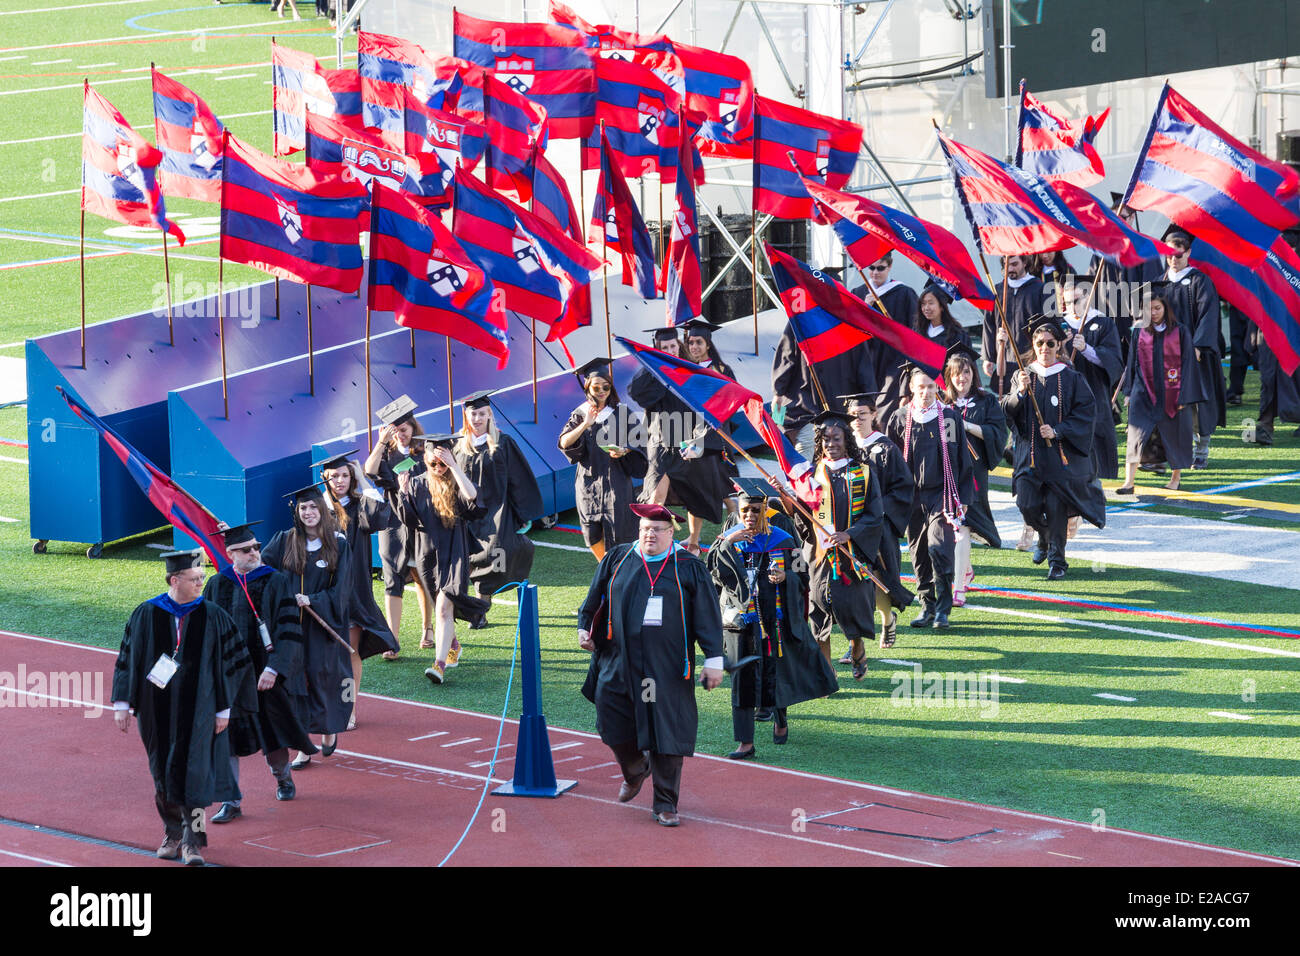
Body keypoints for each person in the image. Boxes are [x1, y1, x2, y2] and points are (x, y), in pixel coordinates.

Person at [577, 503, 725, 827]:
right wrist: (583, 629)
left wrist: (714, 661)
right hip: (619, 659)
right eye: (645, 529)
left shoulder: (687, 567)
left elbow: (708, 617)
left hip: (665, 666)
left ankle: (665, 803)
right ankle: (634, 768)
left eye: (657, 530)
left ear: (671, 533)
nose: (649, 535)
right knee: (610, 717)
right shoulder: (618, 559)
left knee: (665, 731)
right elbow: (592, 601)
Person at [112, 550, 247, 866]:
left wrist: (224, 709)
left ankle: (192, 842)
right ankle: (172, 832)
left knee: (195, 774)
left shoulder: (213, 615)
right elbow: (127, 657)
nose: (201, 582)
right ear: (175, 580)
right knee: (162, 772)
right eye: (195, 578)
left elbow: (232, 664)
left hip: (199, 708)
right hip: (154, 708)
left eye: (202, 577)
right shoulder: (147, 613)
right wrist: (121, 703)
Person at [706, 479, 838, 758]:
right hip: (740, 621)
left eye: (756, 510)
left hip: (773, 619)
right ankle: (745, 742)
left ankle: (780, 717)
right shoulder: (728, 539)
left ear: (765, 510)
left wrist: (784, 577)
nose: (750, 517)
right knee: (742, 678)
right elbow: (715, 574)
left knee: (773, 672)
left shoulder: (783, 540)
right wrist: (728, 543)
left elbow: (803, 578)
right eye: (744, 511)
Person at [204, 523, 317, 825]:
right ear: (230, 554)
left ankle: (283, 778)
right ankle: (231, 800)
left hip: (264, 676)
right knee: (225, 737)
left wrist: (274, 668)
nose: (255, 552)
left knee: (274, 735)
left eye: (256, 546)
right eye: (247, 549)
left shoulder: (275, 581)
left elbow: (290, 628)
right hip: (229, 678)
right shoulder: (217, 584)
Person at [1002, 315, 1107, 578]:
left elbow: (1086, 413)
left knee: (1057, 508)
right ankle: (1044, 537)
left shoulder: (1072, 378)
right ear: (1034, 345)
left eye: (1050, 343)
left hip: (1060, 460)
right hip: (1031, 457)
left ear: (1058, 346)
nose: (1044, 348)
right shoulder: (1022, 376)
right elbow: (1006, 409)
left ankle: (1057, 562)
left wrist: (1058, 430)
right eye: (1040, 343)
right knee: (1027, 505)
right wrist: (1020, 394)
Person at [786, 410, 884, 676]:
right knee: (818, 610)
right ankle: (826, 673)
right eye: (826, 439)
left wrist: (849, 534)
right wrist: (787, 498)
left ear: (847, 440)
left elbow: (875, 515)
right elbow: (801, 516)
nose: (831, 444)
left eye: (837, 438)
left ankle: (857, 648)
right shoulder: (811, 476)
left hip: (852, 554)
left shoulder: (863, 473)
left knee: (852, 609)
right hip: (820, 555)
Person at [262, 484, 354, 768]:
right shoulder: (285, 541)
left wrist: (313, 600)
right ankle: (303, 745)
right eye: (303, 508)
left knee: (323, 680)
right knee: (295, 684)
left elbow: (342, 589)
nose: (308, 512)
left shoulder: (338, 544)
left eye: (313, 507)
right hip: (291, 628)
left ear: (323, 511)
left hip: (323, 627)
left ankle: (328, 730)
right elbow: (262, 569)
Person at [629, 327, 735, 554]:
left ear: (679, 345)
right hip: (661, 441)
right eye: (664, 347)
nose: (670, 350)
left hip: (689, 441)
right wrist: (653, 365)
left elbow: (707, 408)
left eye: (672, 346)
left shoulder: (690, 371)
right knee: (656, 492)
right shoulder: (652, 370)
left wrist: (701, 439)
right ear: (657, 348)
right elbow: (636, 393)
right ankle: (651, 542)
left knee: (695, 493)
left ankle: (694, 542)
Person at [397, 435, 489, 685]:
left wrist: (456, 467)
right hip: (427, 554)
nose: (438, 468)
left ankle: (439, 665)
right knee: (442, 607)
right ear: (425, 461)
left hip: (454, 553)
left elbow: (474, 500)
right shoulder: (417, 483)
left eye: (443, 464)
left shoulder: (457, 481)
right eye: (433, 463)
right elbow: (409, 519)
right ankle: (453, 645)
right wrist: (403, 492)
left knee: (442, 607)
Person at [886, 367, 974, 627]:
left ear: (938, 389)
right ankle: (927, 606)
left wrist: (964, 497)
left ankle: (943, 609)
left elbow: (961, 460)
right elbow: (891, 461)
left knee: (940, 549)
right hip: (910, 497)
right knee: (919, 553)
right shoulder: (900, 418)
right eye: (920, 387)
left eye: (931, 387)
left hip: (942, 495)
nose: (925, 392)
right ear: (911, 388)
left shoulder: (948, 418)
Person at [320, 449, 400, 723]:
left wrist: (364, 480)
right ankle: (326, 704)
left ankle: (349, 708)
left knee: (350, 651)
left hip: (353, 592)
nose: (340, 481)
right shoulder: (315, 509)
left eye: (345, 475)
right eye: (334, 477)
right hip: (321, 592)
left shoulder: (359, 506)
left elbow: (383, 515)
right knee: (324, 655)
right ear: (325, 478)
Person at [454, 390, 544, 615]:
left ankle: (484, 601)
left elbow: (519, 478)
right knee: (469, 557)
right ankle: (480, 605)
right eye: (473, 414)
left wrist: (521, 514)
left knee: (498, 551)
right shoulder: (458, 445)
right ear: (466, 416)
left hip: (497, 510)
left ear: (489, 415)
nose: (477, 419)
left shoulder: (503, 442)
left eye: (482, 414)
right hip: (467, 513)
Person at [842, 392, 915, 650]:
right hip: (849, 527)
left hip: (879, 527)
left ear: (874, 414)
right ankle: (856, 642)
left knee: (878, 580)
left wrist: (877, 510)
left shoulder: (886, 449)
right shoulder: (842, 449)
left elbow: (903, 488)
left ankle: (887, 619)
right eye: (853, 415)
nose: (857, 419)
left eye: (862, 414)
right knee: (854, 584)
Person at [558, 357, 649, 561]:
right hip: (588, 481)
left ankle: (616, 571)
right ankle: (604, 566)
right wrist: (585, 424)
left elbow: (642, 441)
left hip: (616, 480)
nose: (601, 392)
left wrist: (626, 450)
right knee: (591, 534)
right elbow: (564, 442)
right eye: (596, 387)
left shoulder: (621, 413)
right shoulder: (580, 414)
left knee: (620, 533)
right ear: (588, 387)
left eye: (606, 387)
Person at [365, 395, 434, 657]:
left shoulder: (426, 449)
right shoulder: (388, 453)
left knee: (422, 574)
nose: (400, 436)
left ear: (413, 428)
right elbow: (370, 470)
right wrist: (381, 442)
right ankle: (392, 639)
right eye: (395, 431)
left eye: (403, 430)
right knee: (392, 576)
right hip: (393, 521)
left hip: (420, 520)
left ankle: (427, 628)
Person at [1115, 293, 1205, 494]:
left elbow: (1189, 364)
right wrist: (1129, 391)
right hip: (1143, 390)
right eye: (1149, 309)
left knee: (1175, 435)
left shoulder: (1180, 332)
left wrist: (1185, 395)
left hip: (1172, 393)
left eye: (1157, 308)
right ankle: (1128, 482)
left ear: (1166, 309)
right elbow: (1132, 362)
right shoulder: (1139, 332)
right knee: (1135, 435)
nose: (1153, 313)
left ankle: (1175, 478)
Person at [941, 344, 1007, 605]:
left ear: (974, 374)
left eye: (966, 372)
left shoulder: (986, 400)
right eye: (957, 373)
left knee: (964, 526)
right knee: (956, 527)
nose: (962, 378)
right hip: (949, 474)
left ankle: (958, 587)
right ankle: (964, 572)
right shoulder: (942, 403)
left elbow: (997, 432)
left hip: (975, 473)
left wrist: (967, 425)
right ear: (949, 375)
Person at [772, 305, 878, 462]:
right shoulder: (805, 319)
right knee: (818, 463)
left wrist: (778, 391)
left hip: (826, 408)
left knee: (814, 466)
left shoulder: (807, 318)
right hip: (818, 408)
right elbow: (787, 355)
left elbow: (786, 356)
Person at [1161, 225, 1225, 469]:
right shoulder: (1160, 283)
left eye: (1178, 254)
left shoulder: (1199, 281)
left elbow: (1209, 316)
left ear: (1188, 253)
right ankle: (1178, 448)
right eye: (1168, 255)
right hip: (1167, 355)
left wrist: (1199, 346)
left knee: (1198, 402)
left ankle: (1202, 448)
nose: (1173, 260)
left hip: (1194, 354)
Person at [1062, 280, 1124, 481]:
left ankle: (1104, 476)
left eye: (1076, 300)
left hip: (1094, 387)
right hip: (1065, 389)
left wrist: (1086, 349)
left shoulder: (1103, 323)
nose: (1072, 306)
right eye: (1067, 302)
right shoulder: (1058, 325)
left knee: (1099, 432)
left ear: (1087, 298)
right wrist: (1062, 346)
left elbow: (1114, 359)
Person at [982, 254, 1044, 395]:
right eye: (1006, 264)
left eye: (1014, 264)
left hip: (1031, 357)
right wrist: (988, 357)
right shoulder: (998, 291)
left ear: (1025, 263)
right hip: (1004, 358)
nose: (1010, 268)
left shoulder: (1038, 288)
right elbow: (989, 325)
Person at [914, 283, 975, 352]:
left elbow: (965, 360)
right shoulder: (918, 331)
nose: (926, 308)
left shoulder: (956, 335)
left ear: (942, 306)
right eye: (923, 303)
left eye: (931, 303)